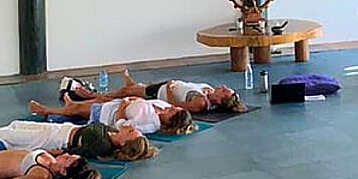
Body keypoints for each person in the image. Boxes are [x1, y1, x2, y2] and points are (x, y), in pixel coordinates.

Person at [0, 117, 156, 162]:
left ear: (124, 143)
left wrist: (48, 155)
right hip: (62, 129)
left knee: (8, 137)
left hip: (54, 140)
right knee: (16, 125)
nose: (131, 128)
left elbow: (75, 151)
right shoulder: (112, 132)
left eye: (132, 132)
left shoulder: (102, 144)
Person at [64, 71, 244, 115]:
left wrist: (170, 89)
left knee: (122, 94)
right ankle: (129, 83)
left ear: (220, 99)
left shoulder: (202, 103)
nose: (221, 86)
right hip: (162, 87)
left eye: (223, 90)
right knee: (129, 89)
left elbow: (177, 106)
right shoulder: (208, 92)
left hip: (159, 93)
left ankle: (89, 98)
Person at [28, 97, 196, 137]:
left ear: (170, 120)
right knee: (92, 102)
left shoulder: (150, 125)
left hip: (106, 116)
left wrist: (123, 106)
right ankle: (70, 105)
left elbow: (121, 127)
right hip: (113, 105)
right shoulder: (163, 107)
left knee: (78, 110)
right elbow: (145, 102)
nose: (170, 108)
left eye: (172, 112)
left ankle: (46, 111)